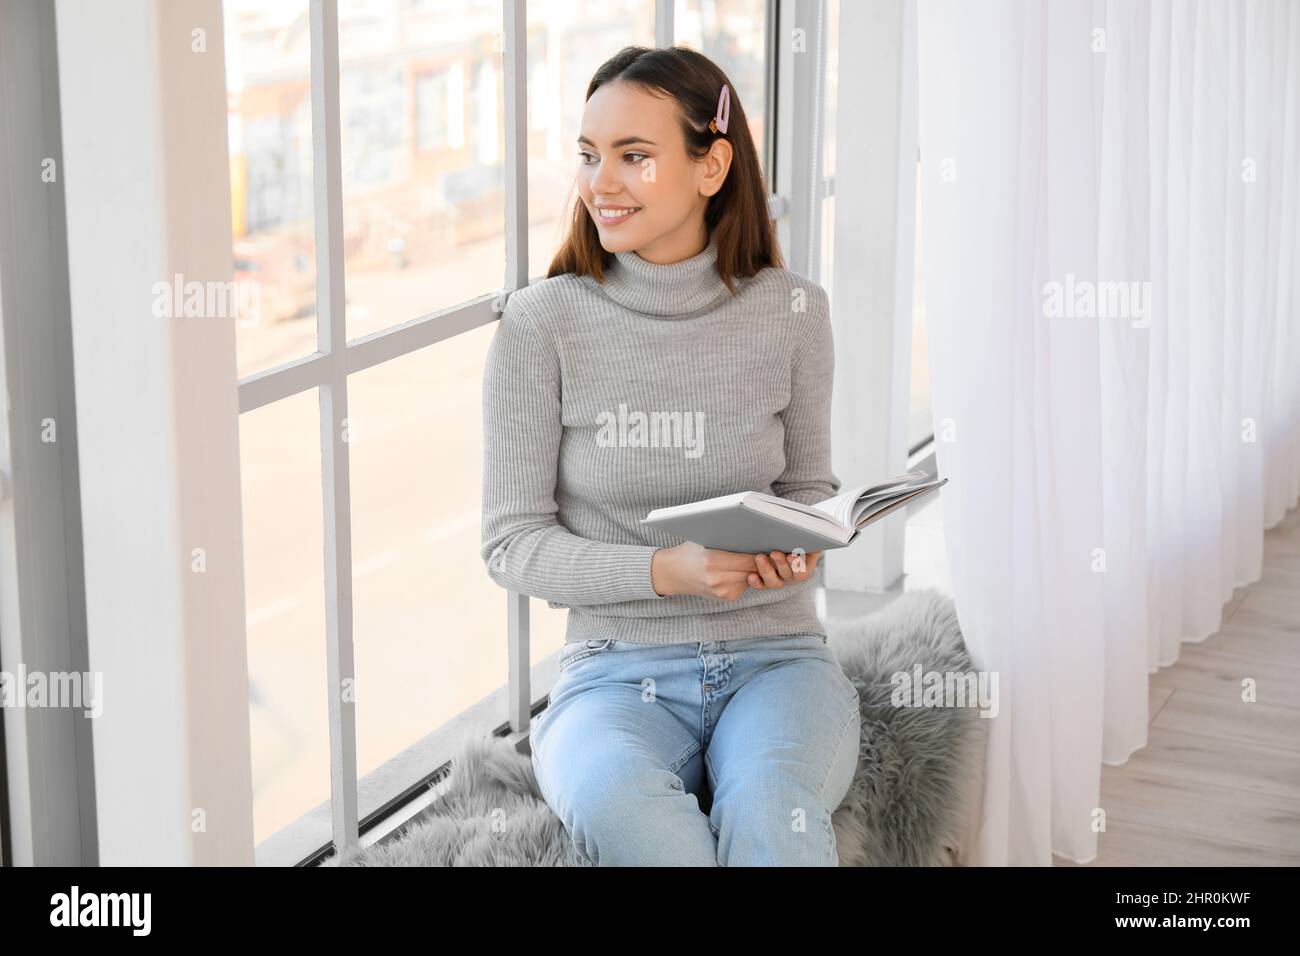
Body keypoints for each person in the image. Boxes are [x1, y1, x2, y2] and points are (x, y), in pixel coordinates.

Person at [480, 45, 860, 866]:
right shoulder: (541, 325)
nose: (600, 183)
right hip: (612, 675)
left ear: (712, 165)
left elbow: (808, 489)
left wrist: (797, 548)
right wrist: (667, 572)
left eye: (634, 157)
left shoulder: (793, 313)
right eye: (589, 155)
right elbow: (511, 544)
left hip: (778, 661)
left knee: (773, 812)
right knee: (634, 821)